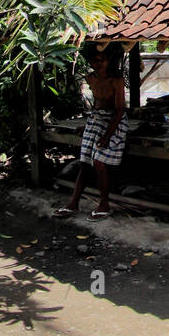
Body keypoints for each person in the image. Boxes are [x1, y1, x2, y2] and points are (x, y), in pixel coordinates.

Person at [55, 44, 131, 219]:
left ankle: (104, 204)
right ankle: (73, 203)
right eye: (94, 60)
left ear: (109, 60)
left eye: (102, 60)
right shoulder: (91, 78)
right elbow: (97, 105)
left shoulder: (116, 80)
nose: (98, 63)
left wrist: (107, 135)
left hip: (114, 121)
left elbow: (119, 110)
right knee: (84, 161)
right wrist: (88, 124)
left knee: (99, 162)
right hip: (96, 118)